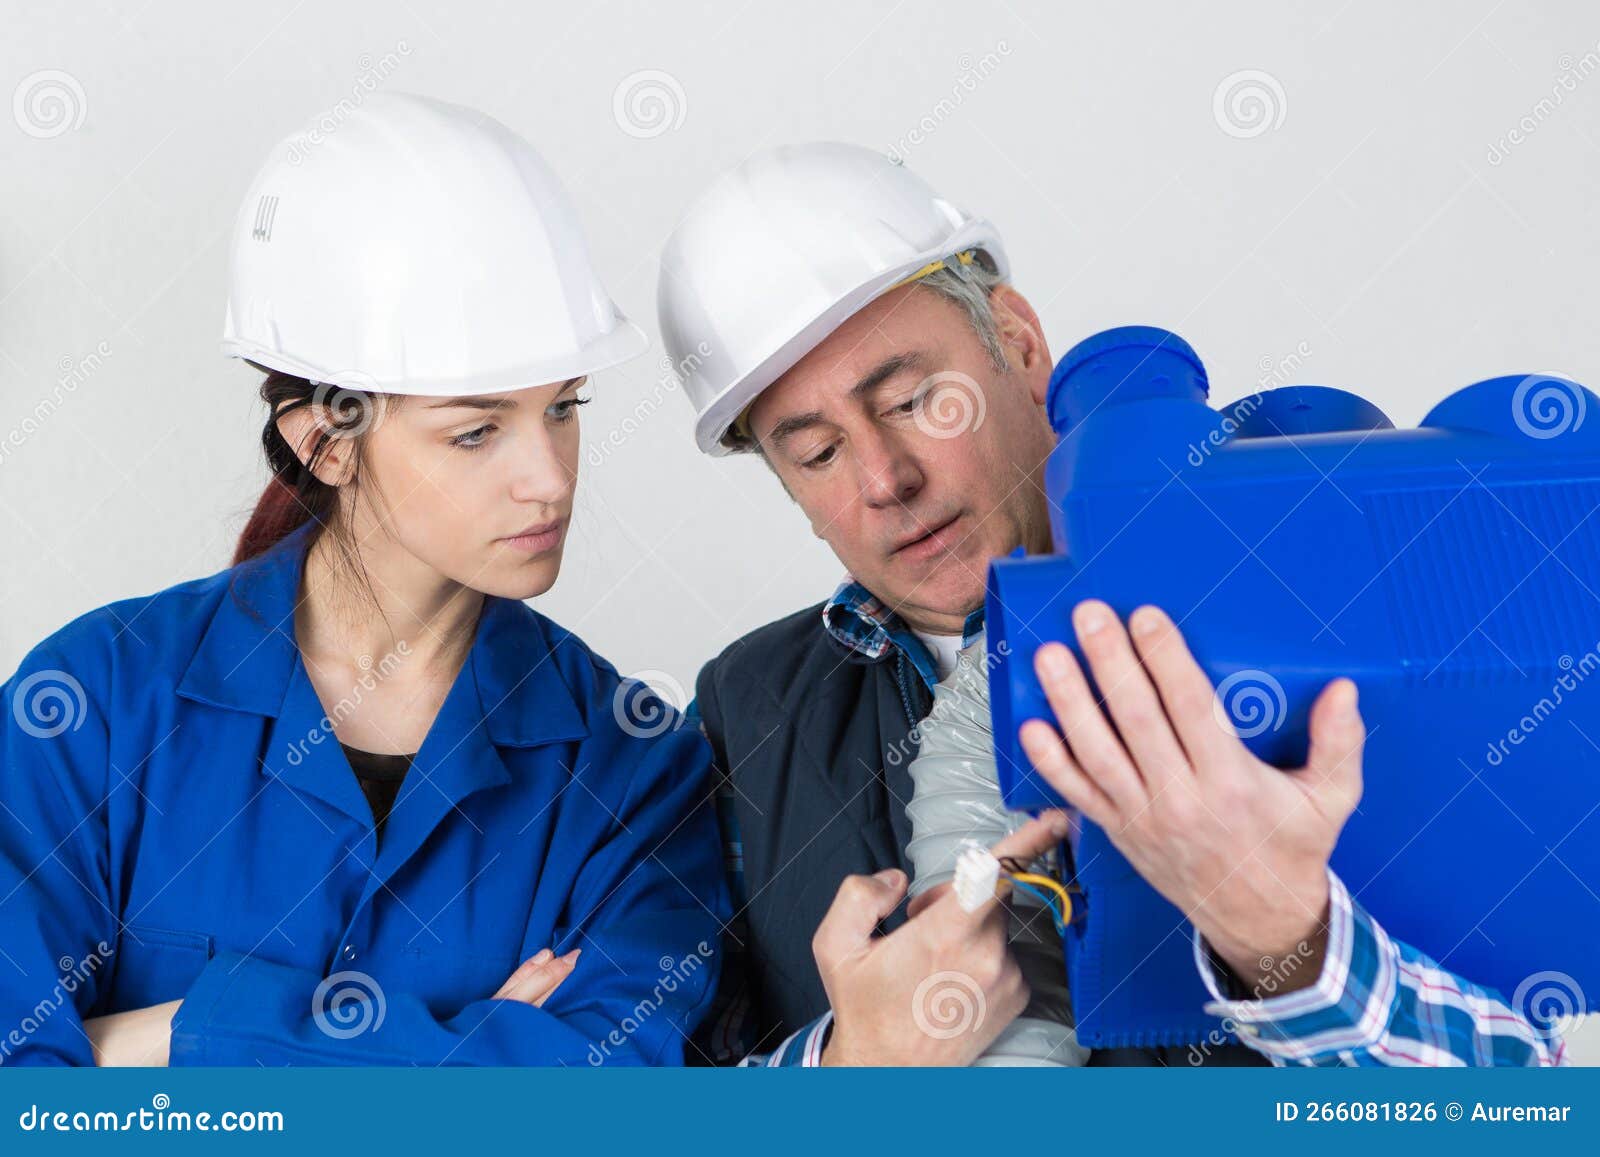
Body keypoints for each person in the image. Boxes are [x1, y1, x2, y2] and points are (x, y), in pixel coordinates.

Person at [657, 142, 1567, 1067]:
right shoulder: (743, 718)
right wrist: (847, 1070)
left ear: (1018, 341)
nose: (885, 478)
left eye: (915, 399)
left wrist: (1290, 944)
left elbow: (1525, 1103)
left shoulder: (1328, 600)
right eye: (816, 453)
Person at [0, 93, 727, 1067]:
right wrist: (477, 1049)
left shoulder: (633, 770)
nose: (550, 476)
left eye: (564, 408)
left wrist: (169, 1032)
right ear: (325, 441)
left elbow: (608, 1098)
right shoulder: (93, 706)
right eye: (476, 430)